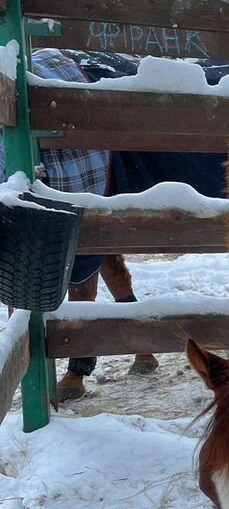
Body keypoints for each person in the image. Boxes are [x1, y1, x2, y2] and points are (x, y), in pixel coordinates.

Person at [0, 48, 158, 401]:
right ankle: (143, 344)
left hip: (79, 150)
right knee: (105, 256)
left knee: (84, 253)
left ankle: (78, 367)